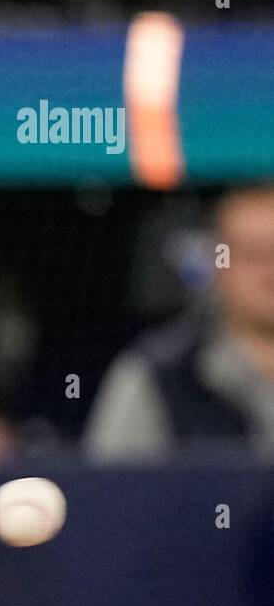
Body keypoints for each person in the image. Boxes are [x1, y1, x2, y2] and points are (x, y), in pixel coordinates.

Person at [85, 185, 274, 462]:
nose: (270, 272)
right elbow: (113, 493)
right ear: (218, 261)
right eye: (254, 255)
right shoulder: (157, 373)